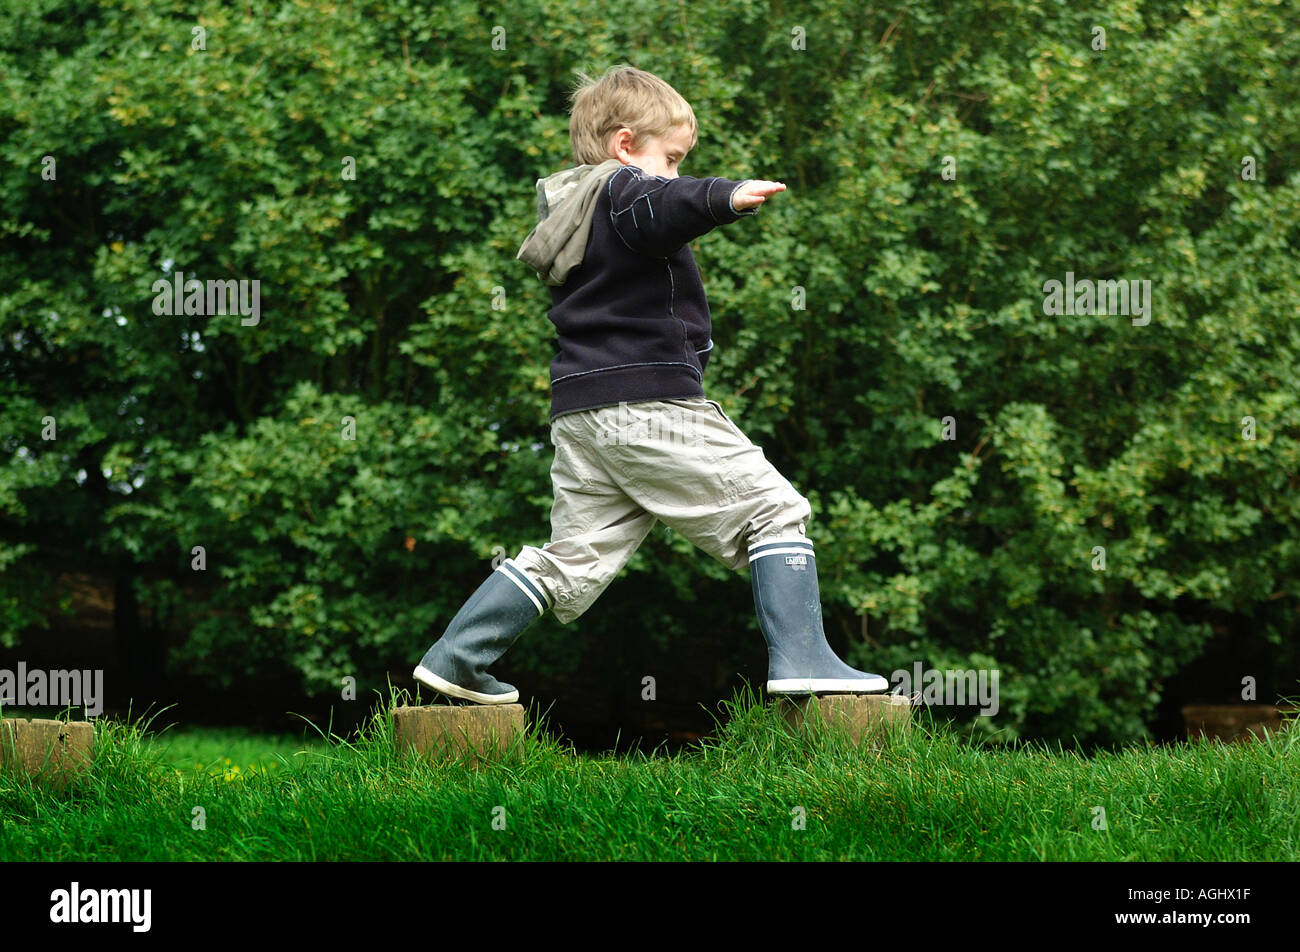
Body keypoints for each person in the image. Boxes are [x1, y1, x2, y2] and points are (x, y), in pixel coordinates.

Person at [413, 64, 888, 704]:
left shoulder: (578, 208)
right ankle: (803, 659)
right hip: (648, 404)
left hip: (584, 413)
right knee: (774, 511)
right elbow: (664, 206)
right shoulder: (624, 190)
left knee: (573, 557)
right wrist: (724, 195)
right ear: (625, 144)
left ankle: (458, 657)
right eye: (672, 158)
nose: (673, 172)